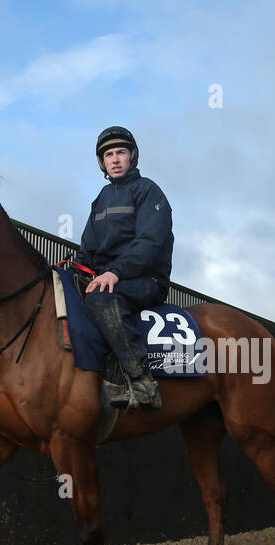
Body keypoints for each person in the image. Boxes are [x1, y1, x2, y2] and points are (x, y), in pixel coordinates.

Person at [73, 126, 174, 410]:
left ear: (132, 157)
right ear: (102, 162)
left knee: (101, 298)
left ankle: (141, 380)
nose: (115, 159)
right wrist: (75, 270)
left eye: (121, 152)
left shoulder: (149, 191)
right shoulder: (102, 198)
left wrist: (115, 272)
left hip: (145, 279)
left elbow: (150, 243)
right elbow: (87, 249)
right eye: (108, 155)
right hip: (108, 278)